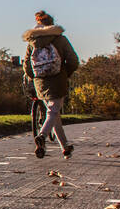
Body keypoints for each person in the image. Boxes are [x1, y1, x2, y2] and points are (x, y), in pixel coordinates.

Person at [22, 10, 80, 159]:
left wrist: (35, 77)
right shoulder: (60, 39)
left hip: (40, 82)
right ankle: (42, 136)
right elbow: (73, 60)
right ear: (52, 24)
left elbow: (27, 66)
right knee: (53, 112)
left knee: (53, 113)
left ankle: (65, 147)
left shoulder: (31, 43)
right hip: (57, 79)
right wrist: (65, 73)